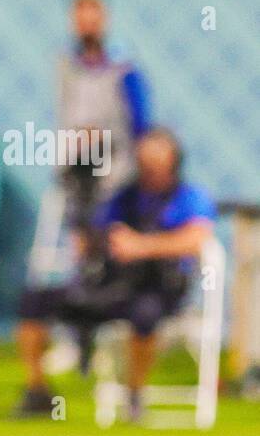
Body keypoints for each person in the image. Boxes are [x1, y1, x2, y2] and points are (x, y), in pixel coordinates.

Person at [14, 128, 215, 420]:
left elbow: (198, 239)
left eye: (156, 159)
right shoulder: (124, 197)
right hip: (114, 285)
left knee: (146, 315)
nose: (149, 167)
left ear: (173, 162)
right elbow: (95, 240)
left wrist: (142, 246)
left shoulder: (189, 197)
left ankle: (135, 394)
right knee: (34, 301)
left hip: (159, 287)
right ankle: (38, 390)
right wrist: (86, 229)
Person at [56, 0, 150, 225]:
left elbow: (139, 123)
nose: (87, 27)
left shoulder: (123, 70)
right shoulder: (66, 68)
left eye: (93, 20)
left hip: (117, 168)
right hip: (77, 168)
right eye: (81, 20)